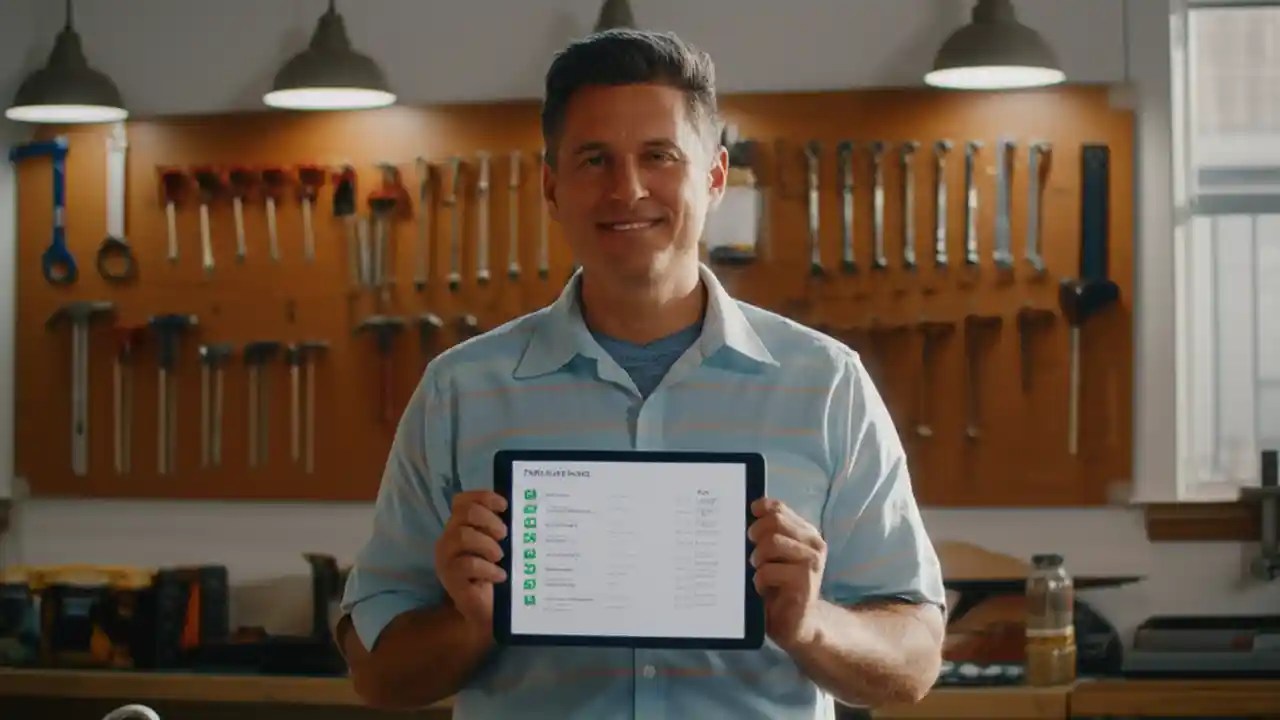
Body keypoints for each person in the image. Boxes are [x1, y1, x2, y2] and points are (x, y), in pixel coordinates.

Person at [336, 28, 946, 719]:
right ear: (551, 185)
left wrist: (810, 626)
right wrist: (472, 621)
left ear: (713, 177)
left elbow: (915, 661)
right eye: (594, 159)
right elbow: (377, 675)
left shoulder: (827, 386)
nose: (626, 189)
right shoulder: (460, 392)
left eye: (659, 156)